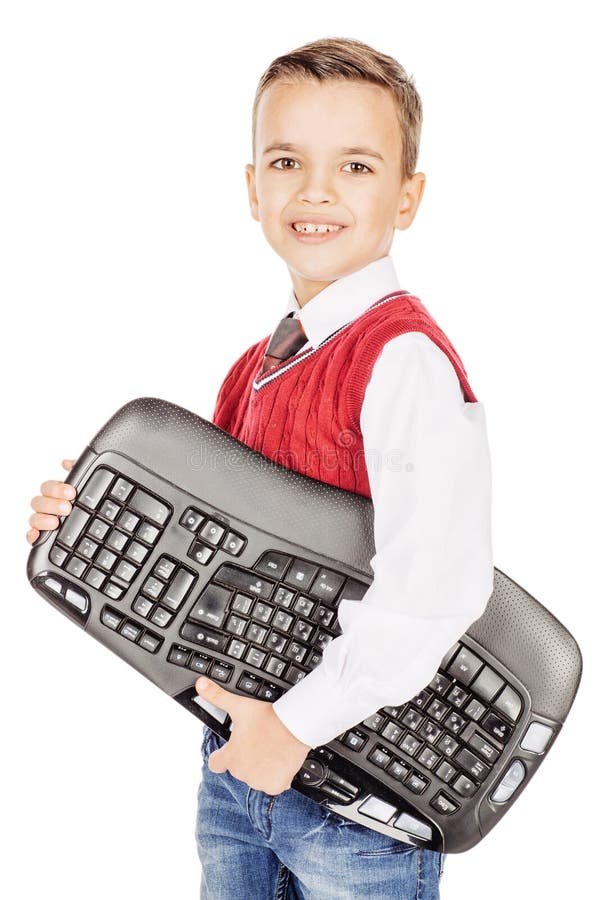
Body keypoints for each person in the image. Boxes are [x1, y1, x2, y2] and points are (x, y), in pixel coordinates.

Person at [27, 35, 494, 900]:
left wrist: (295, 726)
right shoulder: (253, 367)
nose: (316, 190)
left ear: (408, 196)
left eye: (356, 166)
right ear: (252, 188)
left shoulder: (405, 365)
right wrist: (95, 525)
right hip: (235, 767)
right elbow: (223, 560)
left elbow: (435, 589)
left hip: (354, 802)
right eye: (287, 160)